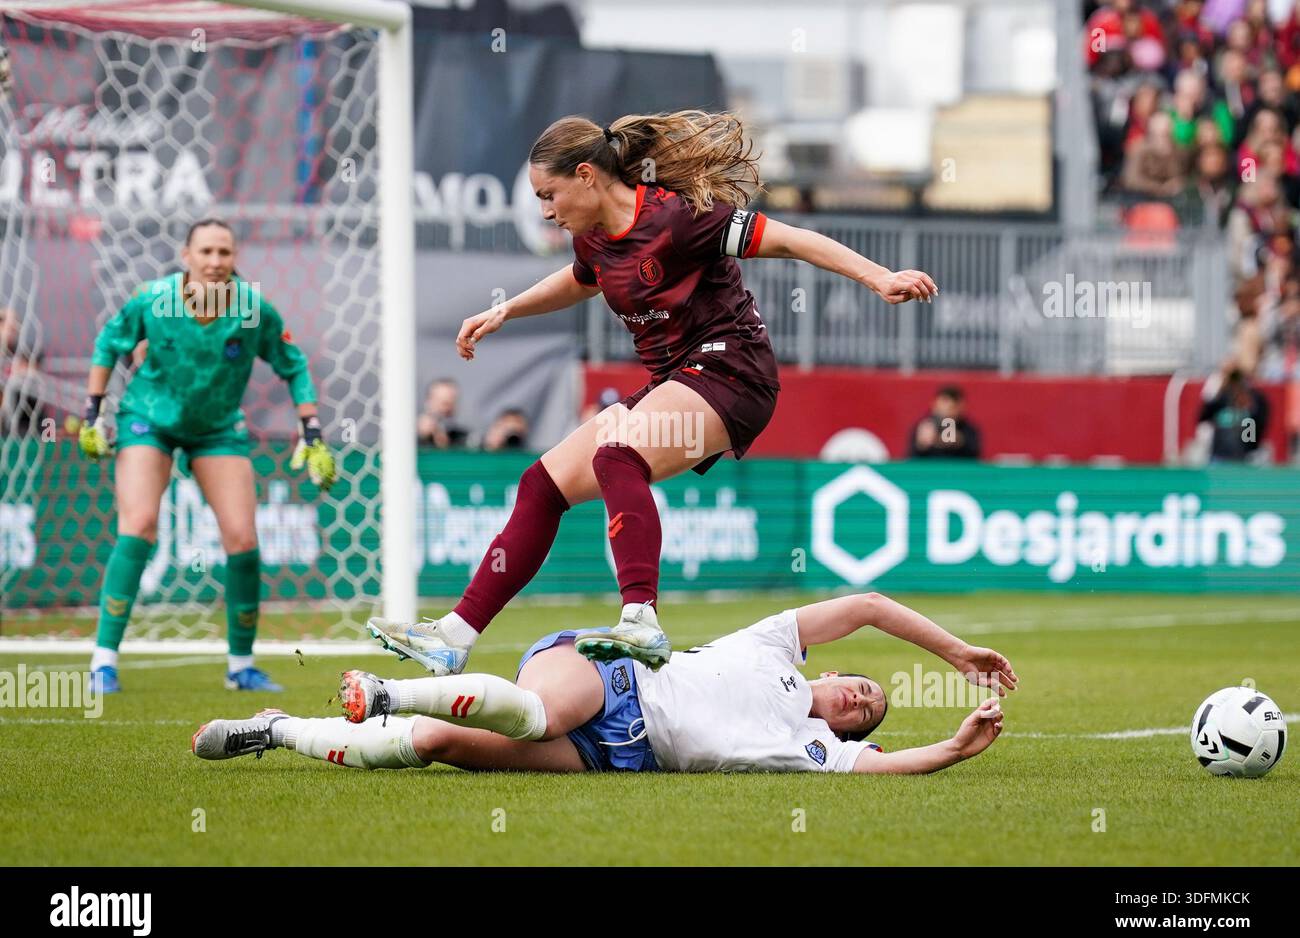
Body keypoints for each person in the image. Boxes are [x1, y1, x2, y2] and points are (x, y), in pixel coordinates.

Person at [366, 109, 938, 676]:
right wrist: (507, 309)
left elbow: (792, 241)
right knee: (540, 485)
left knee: (618, 453)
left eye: (550, 194)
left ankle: (641, 619)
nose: (545, 211)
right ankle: (454, 637)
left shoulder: (683, 218)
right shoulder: (593, 239)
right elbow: (579, 281)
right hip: (676, 380)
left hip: (733, 374)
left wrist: (879, 277)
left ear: (587, 175)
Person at [192, 591, 1015, 775]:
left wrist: (950, 747)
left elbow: (888, 768)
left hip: (623, 753)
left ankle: (278, 729)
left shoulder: (808, 750)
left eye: (863, 715)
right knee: (540, 709)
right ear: (830, 673)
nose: (857, 702)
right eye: (861, 689)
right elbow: (869, 604)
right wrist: (958, 652)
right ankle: (388, 692)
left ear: (843, 733)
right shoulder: (774, 648)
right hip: (610, 677)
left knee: (436, 747)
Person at [78, 217, 338, 694]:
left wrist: (312, 430)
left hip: (218, 428)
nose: (216, 261)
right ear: (186, 256)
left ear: (235, 258)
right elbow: (108, 344)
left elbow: (293, 364)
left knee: (242, 539)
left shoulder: (252, 307)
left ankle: (241, 667)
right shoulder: (152, 299)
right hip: (147, 419)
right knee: (137, 526)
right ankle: (103, 661)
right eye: (206, 252)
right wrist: (94, 413)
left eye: (224, 252)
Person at [1199, 365, 1271, 461]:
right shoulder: (1222, 398)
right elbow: (1203, 417)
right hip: (1220, 455)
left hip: (1245, 457)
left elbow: (1259, 425)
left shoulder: (1255, 399)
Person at [909, 385, 982, 459]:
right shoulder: (923, 427)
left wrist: (961, 442)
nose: (947, 411)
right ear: (934, 405)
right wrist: (921, 445)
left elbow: (975, 457)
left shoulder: (969, 429)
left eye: (952, 407)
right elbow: (910, 458)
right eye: (944, 403)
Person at [0, 306, 42, 435]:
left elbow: (33, 375)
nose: (13, 330)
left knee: (19, 381)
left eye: (15, 326)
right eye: (9, 325)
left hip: (21, 415)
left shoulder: (26, 352)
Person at [416, 377, 468, 448]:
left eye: (451, 402)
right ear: (428, 401)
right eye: (443, 403)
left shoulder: (463, 437)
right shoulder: (409, 433)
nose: (446, 408)